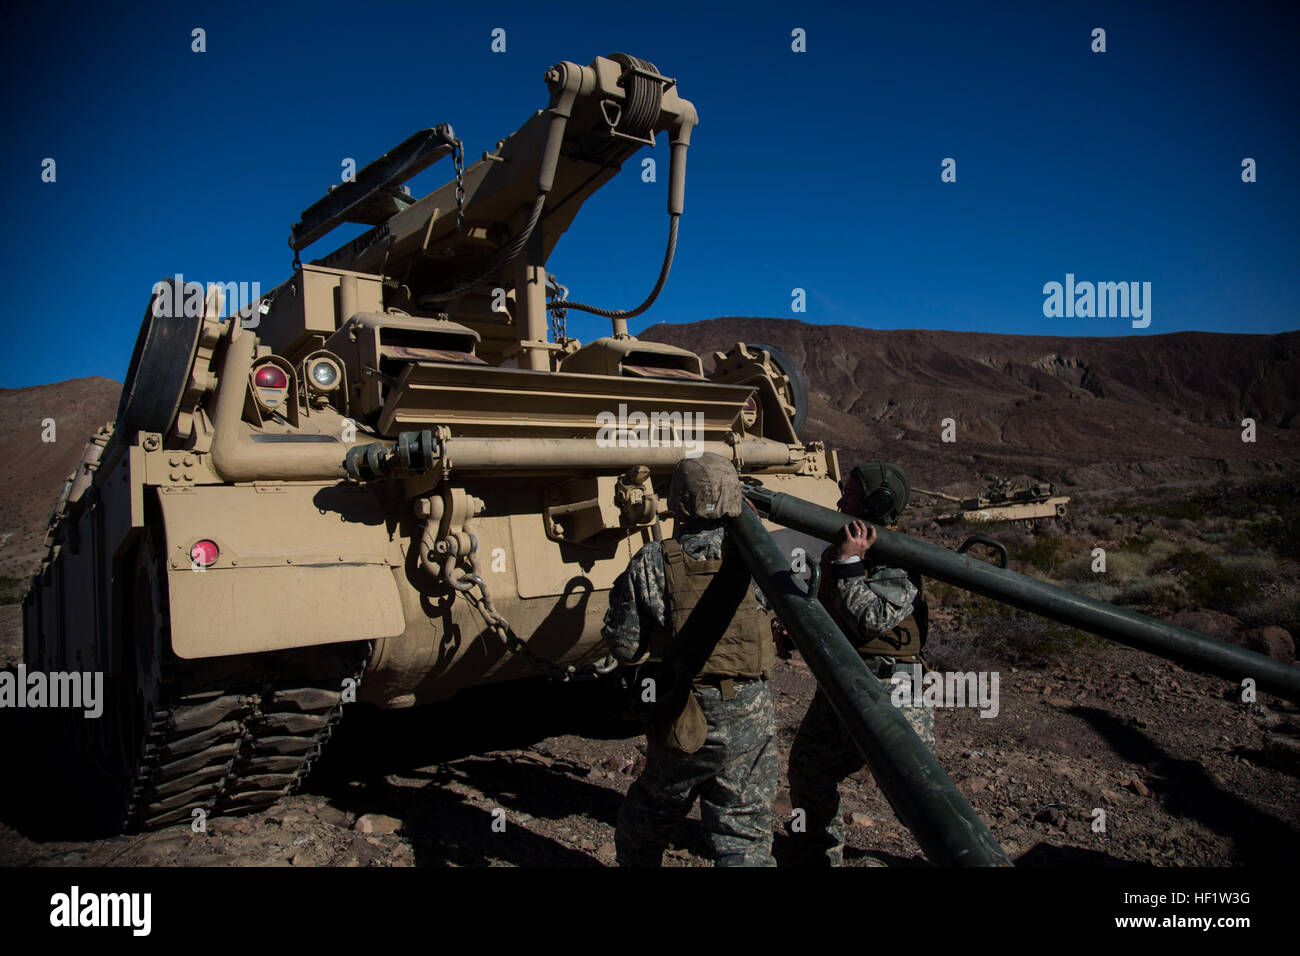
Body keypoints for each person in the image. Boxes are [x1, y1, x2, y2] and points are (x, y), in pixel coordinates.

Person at [602, 452, 777, 866]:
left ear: (678, 502)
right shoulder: (761, 556)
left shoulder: (653, 561)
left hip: (685, 711)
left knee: (648, 820)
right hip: (751, 710)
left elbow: (624, 647)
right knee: (744, 834)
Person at [786, 460, 932, 866]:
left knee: (917, 797)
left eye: (848, 494)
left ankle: (961, 854)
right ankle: (816, 855)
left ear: (875, 502)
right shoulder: (844, 547)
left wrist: (850, 563)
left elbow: (871, 619)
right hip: (844, 683)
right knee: (809, 772)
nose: (839, 500)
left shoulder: (899, 557)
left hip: (892, 689)